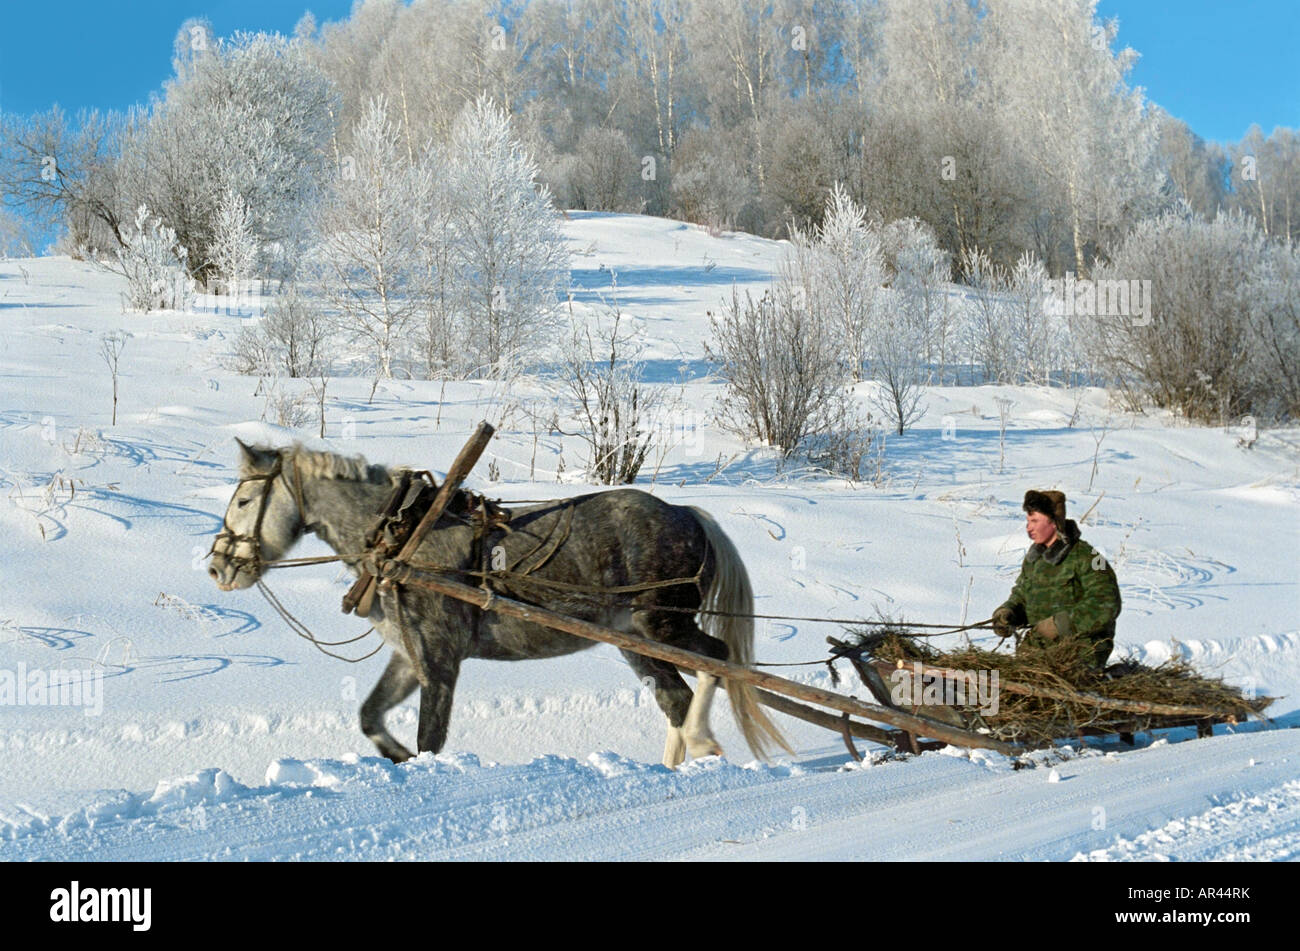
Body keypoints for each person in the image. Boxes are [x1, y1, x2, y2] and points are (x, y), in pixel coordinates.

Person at [992, 490, 1121, 668]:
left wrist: (1059, 625)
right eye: (1028, 521)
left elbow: (1106, 604)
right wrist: (1008, 612)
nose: (1029, 527)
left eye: (1035, 521)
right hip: (1040, 648)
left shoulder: (1088, 557)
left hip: (1082, 650)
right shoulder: (1035, 559)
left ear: (1054, 522)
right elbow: (1022, 593)